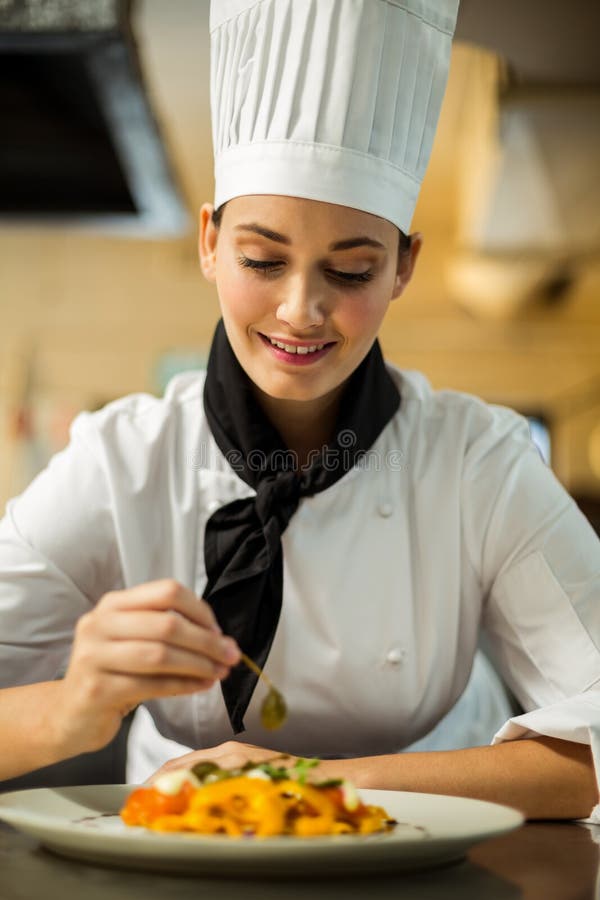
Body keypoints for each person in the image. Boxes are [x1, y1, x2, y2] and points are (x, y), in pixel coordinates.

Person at [0, 0, 599, 822]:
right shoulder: (122, 461)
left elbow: (592, 750)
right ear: (210, 241)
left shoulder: (477, 461)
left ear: (402, 267)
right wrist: (71, 705)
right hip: (178, 854)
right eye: (261, 258)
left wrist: (307, 789)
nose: (300, 311)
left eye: (351, 271)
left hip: (431, 844)